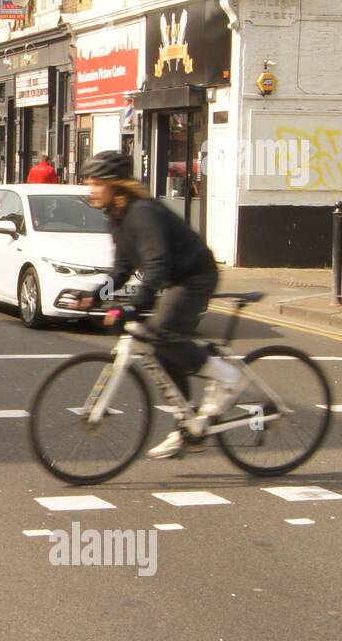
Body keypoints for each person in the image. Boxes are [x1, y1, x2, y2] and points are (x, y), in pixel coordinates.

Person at [74, 151, 243, 459]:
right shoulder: (117, 217)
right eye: (89, 183)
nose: (91, 189)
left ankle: (227, 377)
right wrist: (97, 295)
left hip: (195, 276)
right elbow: (122, 269)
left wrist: (133, 306)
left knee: (161, 331)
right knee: (157, 347)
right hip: (171, 280)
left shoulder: (143, 212)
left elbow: (157, 264)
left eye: (97, 183)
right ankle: (188, 426)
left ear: (116, 185)